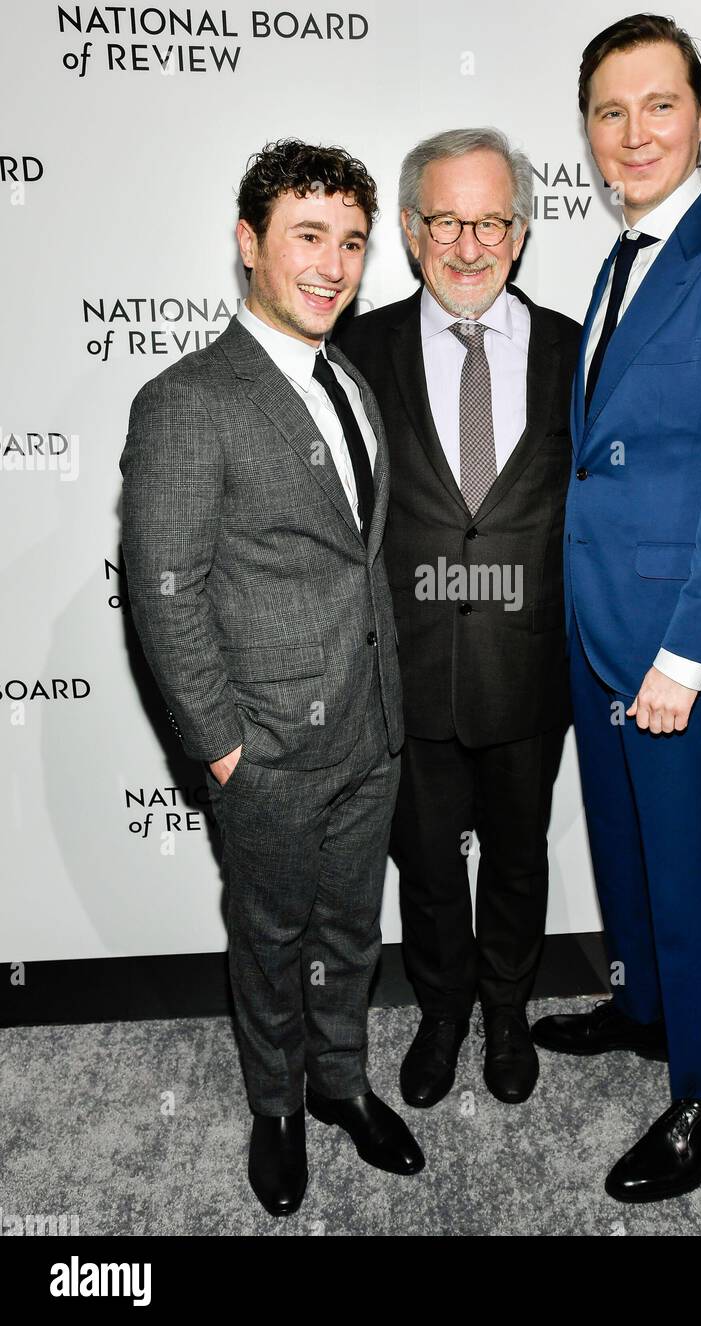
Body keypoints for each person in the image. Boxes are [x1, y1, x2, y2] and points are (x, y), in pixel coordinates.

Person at [531, 15, 701, 1201]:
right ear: (588, 133)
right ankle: (645, 1010)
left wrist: (689, 656)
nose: (633, 131)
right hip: (601, 635)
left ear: (700, 115)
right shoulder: (621, 256)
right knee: (627, 851)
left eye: (658, 105)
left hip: (678, 653)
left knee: (690, 874)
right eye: (609, 110)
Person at [119, 139, 423, 1218]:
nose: (334, 265)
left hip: (369, 730)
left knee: (351, 930)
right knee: (271, 935)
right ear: (249, 245)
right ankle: (277, 1107)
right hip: (269, 749)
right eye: (308, 237)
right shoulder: (189, 399)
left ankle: (339, 1082)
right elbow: (163, 590)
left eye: (350, 241)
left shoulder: (348, 377)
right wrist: (222, 744)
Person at [338, 128, 580, 1108]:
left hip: (533, 664)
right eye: (447, 220)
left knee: (520, 855)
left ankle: (509, 1010)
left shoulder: (576, 350)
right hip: (405, 666)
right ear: (408, 227)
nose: (469, 244)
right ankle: (442, 1012)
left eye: (490, 220)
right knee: (430, 863)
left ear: (519, 232)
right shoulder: (354, 351)